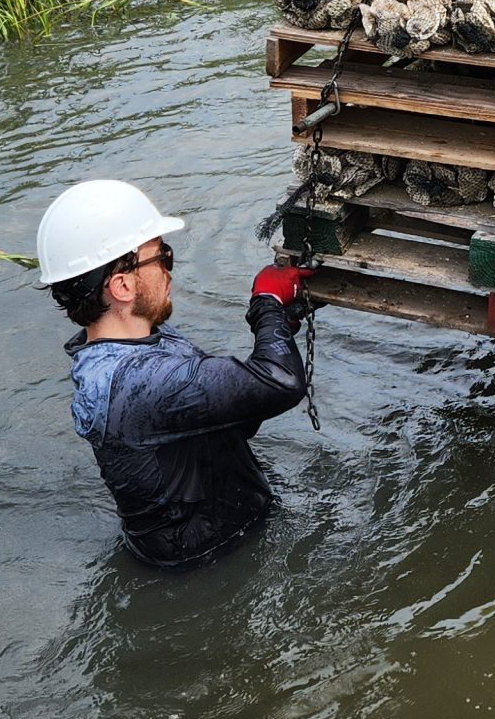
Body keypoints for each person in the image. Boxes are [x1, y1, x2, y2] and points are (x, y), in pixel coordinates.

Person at [37, 178, 310, 568]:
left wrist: (280, 325)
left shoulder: (138, 343)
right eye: (162, 256)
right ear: (123, 285)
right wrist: (266, 303)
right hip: (207, 562)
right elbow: (281, 382)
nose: (169, 269)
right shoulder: (145, 381)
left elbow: (231, 417)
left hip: (209, 533)